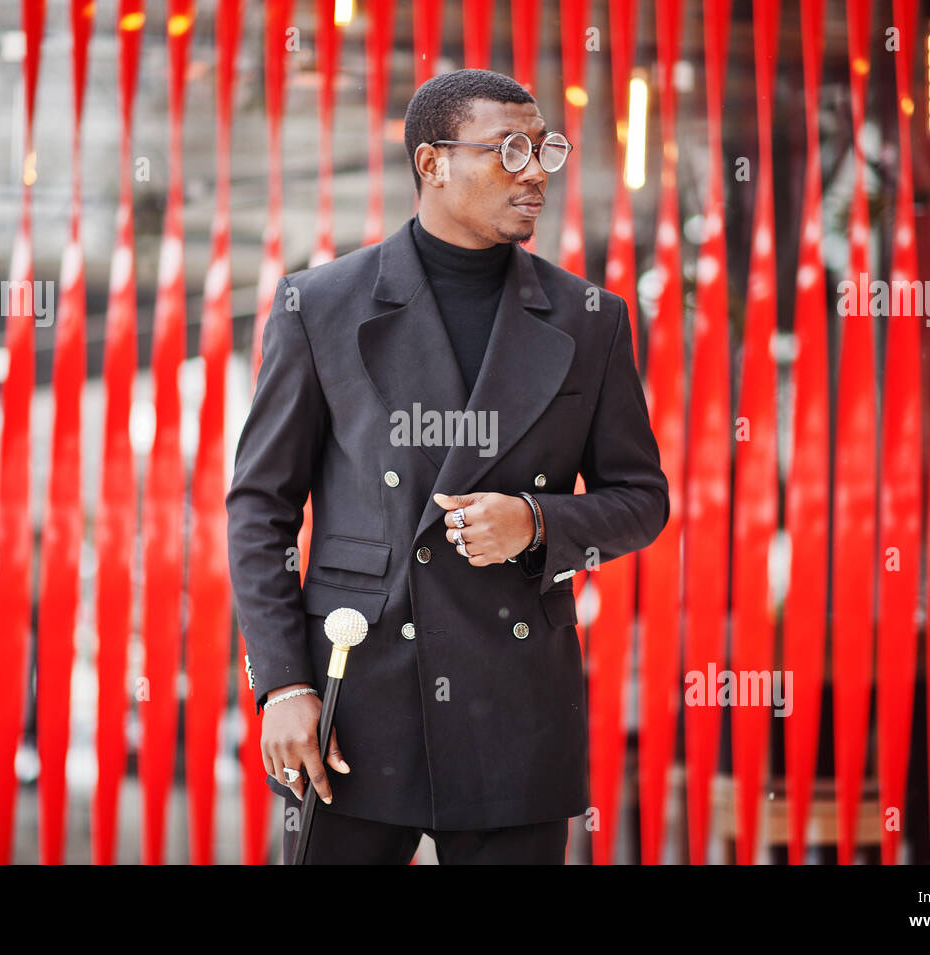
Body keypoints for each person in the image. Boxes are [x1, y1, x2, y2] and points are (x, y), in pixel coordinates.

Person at [226, 69, 669, 864]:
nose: (535, 172)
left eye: (544, 149)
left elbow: (641, 499)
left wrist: (536, 523)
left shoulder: (590, 321)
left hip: (517, 701)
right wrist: (282, 683)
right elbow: (260, 508)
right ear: (432, 163)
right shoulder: (319, 306)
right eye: (508, 150)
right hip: (355, 697)